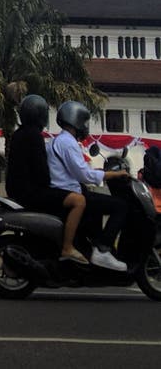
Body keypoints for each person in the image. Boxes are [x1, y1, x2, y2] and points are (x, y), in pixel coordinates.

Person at [46, 100, 130, 272]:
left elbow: (77, 170)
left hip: (67, 190)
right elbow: (83, 174)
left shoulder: (59, 141)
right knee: (120, 206)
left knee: (97, 204)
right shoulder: (68, 143)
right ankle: (103, 250)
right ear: (75, 119)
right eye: (84, 122)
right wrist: (115, 174)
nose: (85, 126)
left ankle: (94, 245)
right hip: (69, 192)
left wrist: (100, 172)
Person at [6, 94, 88, 264]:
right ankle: (67, 247)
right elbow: (41, 170)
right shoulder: (35, 136)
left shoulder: (19, 134)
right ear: (39, 115)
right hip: (31, 192)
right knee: (78, 200)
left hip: (18, 189)